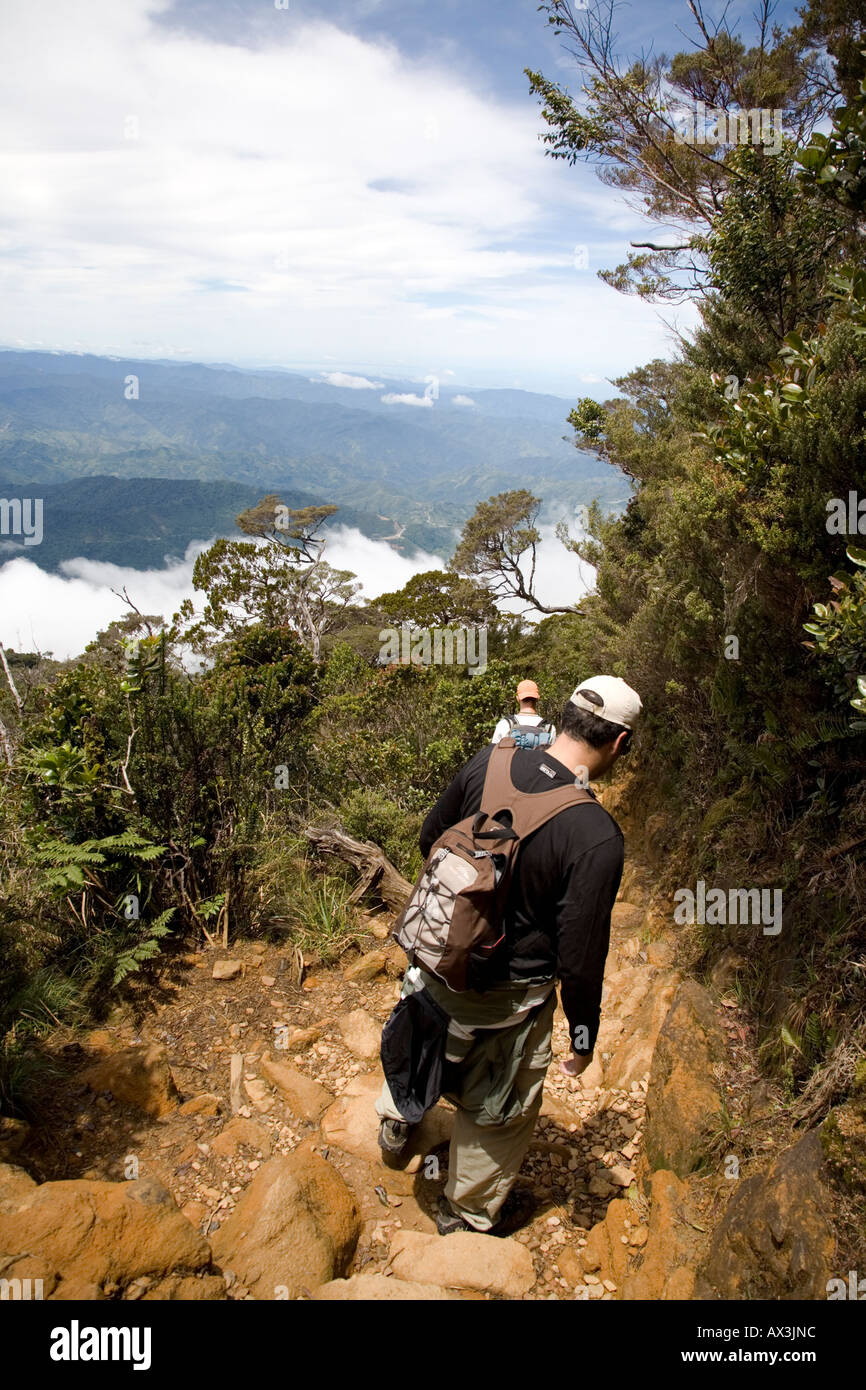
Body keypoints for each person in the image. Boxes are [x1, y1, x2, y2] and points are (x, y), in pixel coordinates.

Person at [376, 674, 643, 1235]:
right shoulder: (595, 833)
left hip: (431, 962)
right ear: (619, 743)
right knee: (500, 1108)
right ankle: (465, 1214)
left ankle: (397, 1123)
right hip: (508, 1000)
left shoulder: (488, 760)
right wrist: (584, 1032)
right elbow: (581, 953)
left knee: (417, 1034)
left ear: (565, 716)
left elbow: (430, 838)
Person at [490, 679, 556, 748]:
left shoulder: (505, 725)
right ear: (537, 698)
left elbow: (493, 754)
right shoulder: (549, 728)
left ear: (518, 698)